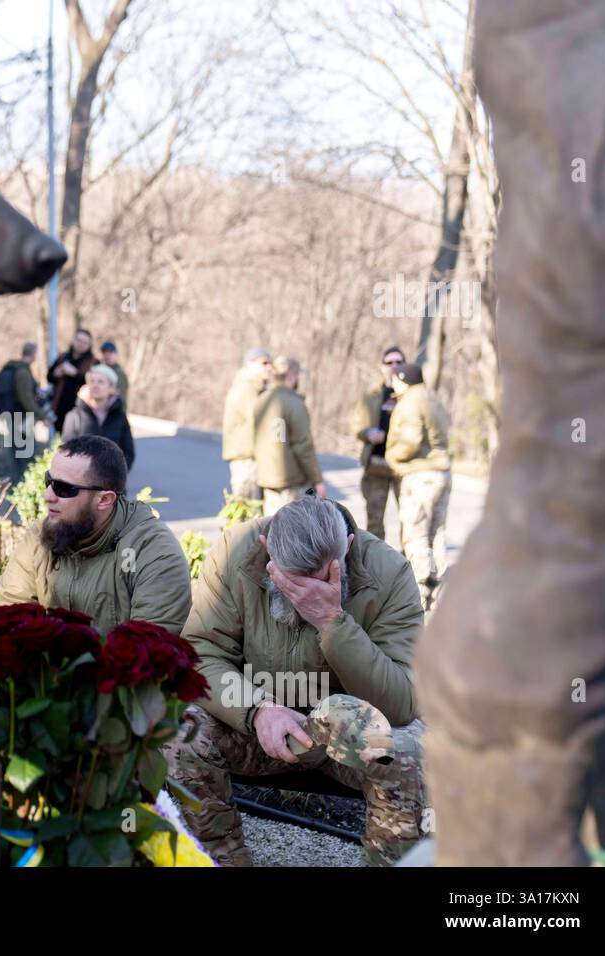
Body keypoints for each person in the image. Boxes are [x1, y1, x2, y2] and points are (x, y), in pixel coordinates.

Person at [164, 496, 426, 867]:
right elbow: (199, 653)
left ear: (346, 550)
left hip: (347, 731)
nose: (297, 591)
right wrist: (256, 709)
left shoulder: (389, 572)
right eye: (286, 577)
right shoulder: (237, 550)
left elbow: (403, 701)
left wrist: (331, 621)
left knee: (409, 754)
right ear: (266, 546)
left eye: (314, 579)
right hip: (261, 726)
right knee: (179, 729)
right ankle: (222, 860)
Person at [0, 435, 190, 633]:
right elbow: (3, 620)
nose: (48, 496)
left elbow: (149, 652)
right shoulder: (39, 537)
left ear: (104, 500)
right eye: (49, 481)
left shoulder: (154, 554)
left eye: (64, 488)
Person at [384, 362, 452, 609]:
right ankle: (439, 593)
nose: (393, 385)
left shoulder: (411, 402)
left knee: (416, 534)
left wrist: (393, 457)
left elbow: (411, 441)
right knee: (437, 533)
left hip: (420, 474)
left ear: (404, 379)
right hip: (441, 473)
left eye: (396, 380)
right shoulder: (432, 397)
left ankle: (419, 595)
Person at [252, 356, 324, 515]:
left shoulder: (261, 401)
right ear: (292, 376)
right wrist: (317, 480)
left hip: (268, 481)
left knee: (273, 531)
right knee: (295, 534)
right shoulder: (294, 403)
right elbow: (303, 446)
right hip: (292, 485)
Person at [349, 346, 405, 541]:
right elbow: (356, 424)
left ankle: (405, 564)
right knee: (374, 519)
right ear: (382, 367)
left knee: (408, 520)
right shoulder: (372, 394)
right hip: (376, 464)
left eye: (399, 362)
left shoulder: (410, 394)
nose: (394, 366)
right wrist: (368, 433)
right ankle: (376, 566)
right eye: (389, 363)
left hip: (404, 467)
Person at [0, 342, 46, 485]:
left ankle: (18, 485)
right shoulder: (22, 372)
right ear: (34, 355)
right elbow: (26, 399)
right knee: (24, 454)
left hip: (14, 417)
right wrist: (42, 416)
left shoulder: (14, 368)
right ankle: (20, 486)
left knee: (18, 452)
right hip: (20, 419)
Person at [60, 363, 136, 470]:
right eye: (92, 381)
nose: (95, 385)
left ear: (112, 388)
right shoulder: (74, 415)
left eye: (101, 382)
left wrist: (117, 475)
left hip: (112, 482)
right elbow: (66, 451)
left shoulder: (120, 417)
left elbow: (129, 453)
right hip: (80, 481)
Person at [222, 347, 273, 499]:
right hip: (246, 462)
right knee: (248, 513)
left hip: (252, 459)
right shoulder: (246, 387)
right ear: (250, 364)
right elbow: (261, 420)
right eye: (264, 363)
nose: (269, 367)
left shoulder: (256, 387)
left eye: (271, 363)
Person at [48, 328, 97, 433]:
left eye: (85, 342)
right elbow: (49, 377)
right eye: (79, 340)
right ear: (73, 340)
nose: (81, 344)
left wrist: (75, 374)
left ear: (89, 345)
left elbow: (94, 385)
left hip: (82, 411)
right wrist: (55, 374)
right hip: (59, 410)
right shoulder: (62, 357)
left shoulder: (94, 362)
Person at [100, 340, 129, 407]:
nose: (107, 356)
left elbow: (121, 397)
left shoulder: (120, 373)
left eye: (110, 352)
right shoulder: (99, 370)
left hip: (114, 410)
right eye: (105, 353)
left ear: (116, 354)